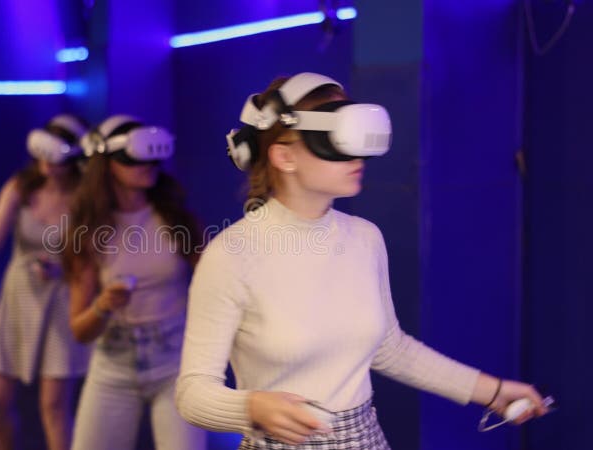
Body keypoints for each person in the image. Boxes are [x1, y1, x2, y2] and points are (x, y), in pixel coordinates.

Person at [174, 72, 550, 449]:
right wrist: (252, 406)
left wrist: (491, 391)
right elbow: (192, 393)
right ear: (284, 156)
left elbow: (390, 348)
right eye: (335, 141)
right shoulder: (232, 254)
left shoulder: (365, 238)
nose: (356, 156)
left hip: (366, 439)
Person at [62, 115, 206, 450]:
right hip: (113, 364)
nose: (147, 165)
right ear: (106, 164)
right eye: (133, 158)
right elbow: (79, 330)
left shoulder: (175, 220)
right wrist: (103, 305)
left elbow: (215, 281)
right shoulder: (89, 231)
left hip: (175, 361)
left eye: (152, 158)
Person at [0, 115, 91, 450]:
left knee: (53, 406)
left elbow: (93, 254)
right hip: (19, 295)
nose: (47, 166)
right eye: (42, 157)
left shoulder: (85, 198)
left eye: (55, 160)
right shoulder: (21, 186)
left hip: (61, 297)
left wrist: (63, 271)